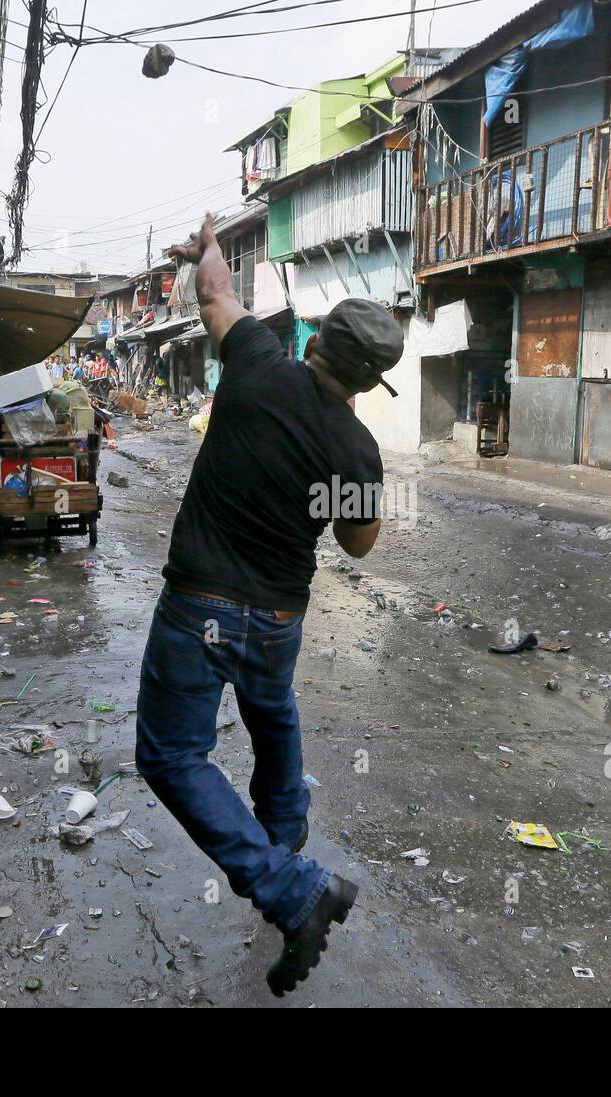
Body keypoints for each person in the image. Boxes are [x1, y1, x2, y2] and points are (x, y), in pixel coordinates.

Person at [135, 214, 403, 997]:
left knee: (172, 755)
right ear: (363, 379)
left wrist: (208, 247)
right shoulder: (356, 448)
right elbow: (358, 544)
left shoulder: (254, 361)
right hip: (278, 616)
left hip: (197, 606)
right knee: (271, 709)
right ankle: (285, 836)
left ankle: (291, 887)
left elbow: (215, 289)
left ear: (314, 339)